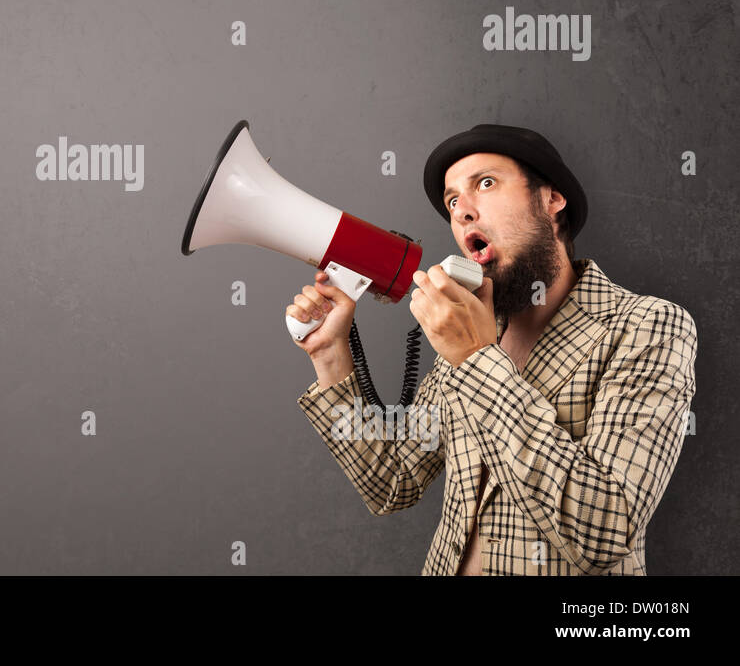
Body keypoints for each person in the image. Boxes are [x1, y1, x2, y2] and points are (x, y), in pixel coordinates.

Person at [290, 124, 697, 575]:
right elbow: (392, 482)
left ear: (551, 199)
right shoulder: (474, 332)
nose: (463, 211)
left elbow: (601, 531)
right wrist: (329, 354)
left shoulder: (648, 326)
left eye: (485, 183)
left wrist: (474, 359)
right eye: (451, 200)